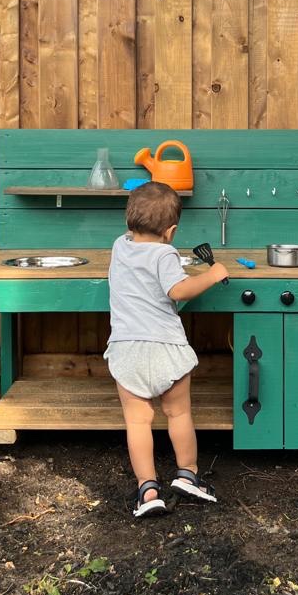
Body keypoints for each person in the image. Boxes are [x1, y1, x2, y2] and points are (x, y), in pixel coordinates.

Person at [104, 181, 228, 518]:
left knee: (138, 422)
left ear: (129, 222)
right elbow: (179, 290)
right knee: (178, 414)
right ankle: (187, 474)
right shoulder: (165, 254)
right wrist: (214, 274)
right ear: (171, 231)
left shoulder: (119, 246)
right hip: (165, 350)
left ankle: (148, 491)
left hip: (126, 350)